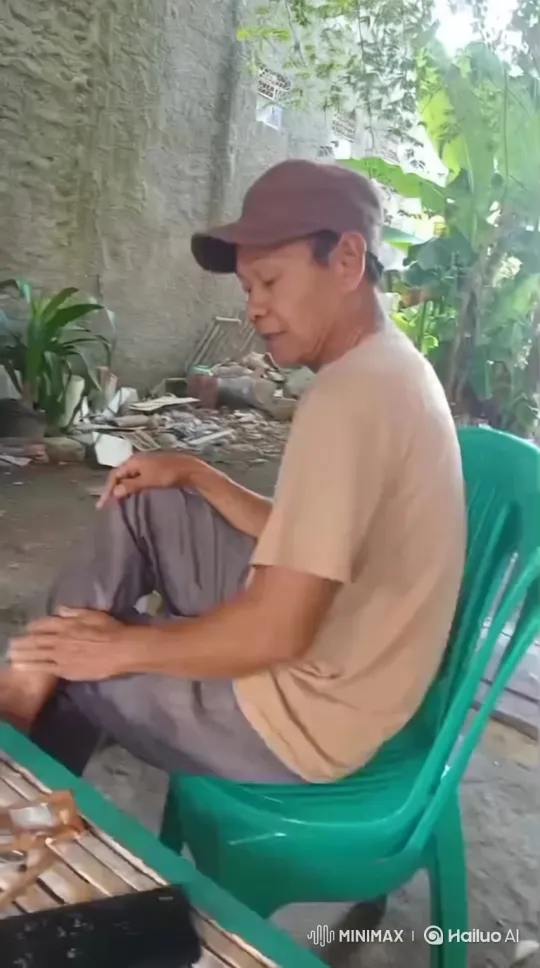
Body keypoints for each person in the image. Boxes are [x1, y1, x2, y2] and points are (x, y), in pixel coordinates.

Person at [2, 159, 466, 785]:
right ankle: (36, 676)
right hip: (350, 650)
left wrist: (123, 646)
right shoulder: (387, 367)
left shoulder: (349, 401)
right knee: (148, 502)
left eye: (271, 281)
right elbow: (314, 538)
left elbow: (276, 631)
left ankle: (25, 763)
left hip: (302, 719)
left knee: (85, 665)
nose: (256, 308)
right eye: (249, 290)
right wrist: (197, 474)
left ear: (349, 261)